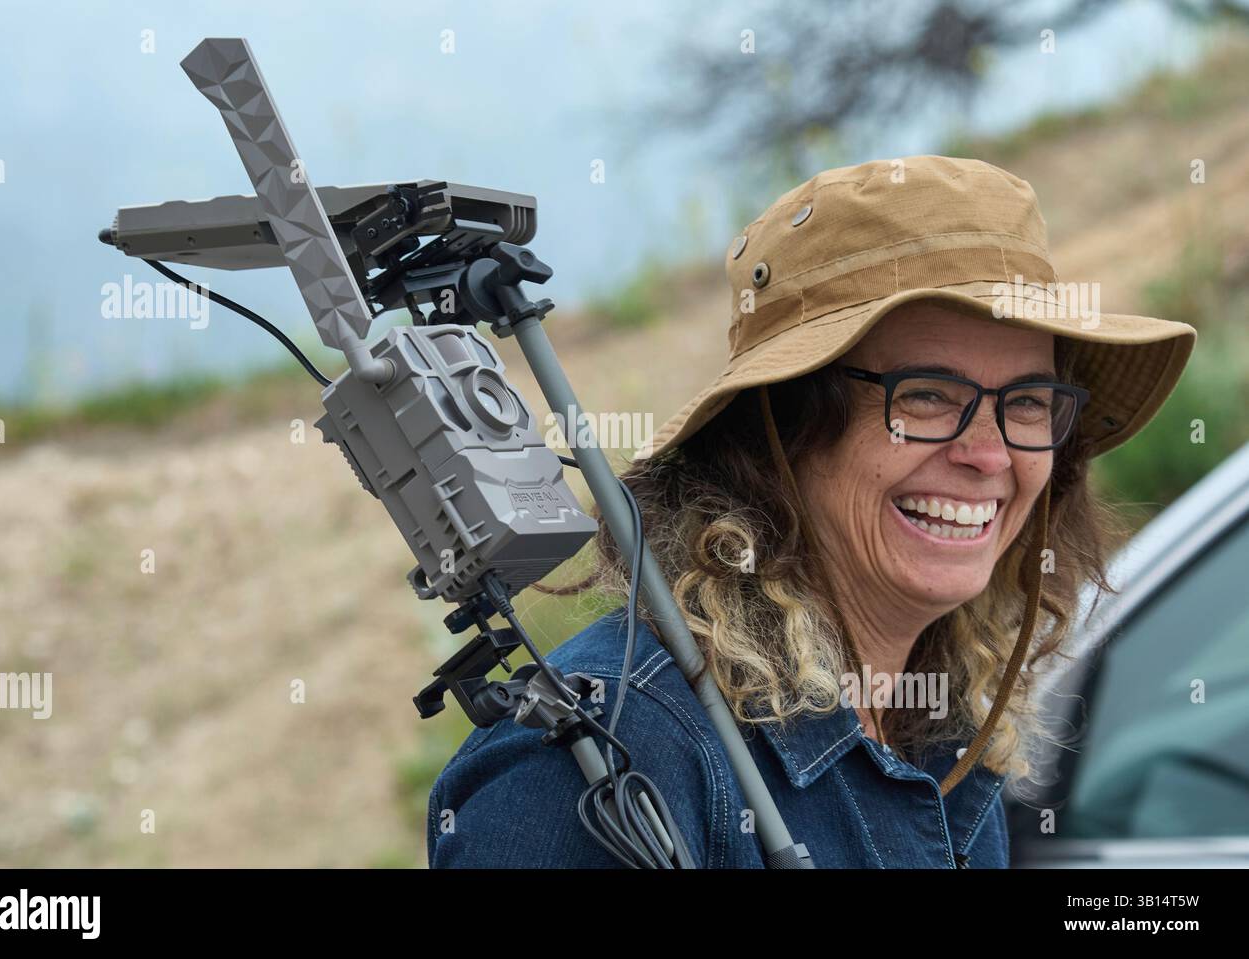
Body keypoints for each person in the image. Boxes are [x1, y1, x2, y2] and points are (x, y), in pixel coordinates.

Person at [427, 155, 1196, 868]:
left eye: (1026, 402)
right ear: (779, 433)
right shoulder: (606, 761)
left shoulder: (944, 737)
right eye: (928, 395)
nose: (990, 456)